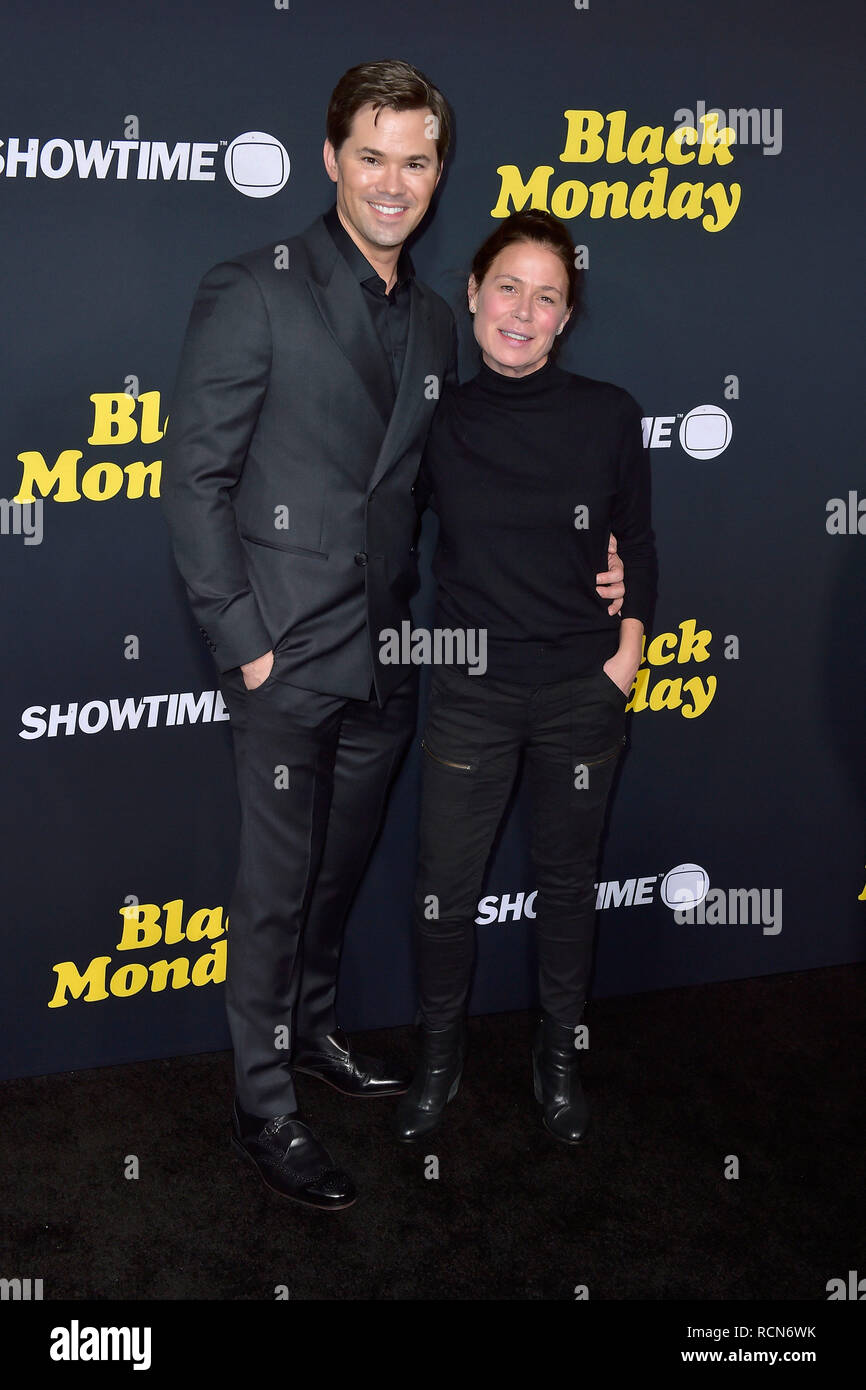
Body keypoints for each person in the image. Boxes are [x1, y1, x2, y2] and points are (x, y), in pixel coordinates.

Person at [160, 60, 458, 1210]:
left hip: (389, 651)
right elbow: (194, 481)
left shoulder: (435, 319)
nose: (393, 183)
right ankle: (262, 1103)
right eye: (371, 156)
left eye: (416, 160)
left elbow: (430, 486)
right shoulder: (254, 286)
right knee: (276, 888)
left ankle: (317, 1034)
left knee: (336, 873)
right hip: (285, 651)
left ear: (439, 170)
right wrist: (245, 641)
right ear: (330, 157)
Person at [395, 209, 657, 1147]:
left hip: (582, 692)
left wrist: (625, 649)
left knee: (568, 883)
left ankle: (556, 1057)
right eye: (508, 286)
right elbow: (381, 533)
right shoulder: (435, 419)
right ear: (472, 294)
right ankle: (438, 1059)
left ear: (566, 318)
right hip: (471, 690)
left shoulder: (609, 414)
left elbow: (641, 546)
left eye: (547, 297)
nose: (523, 310)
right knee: (444, 887)